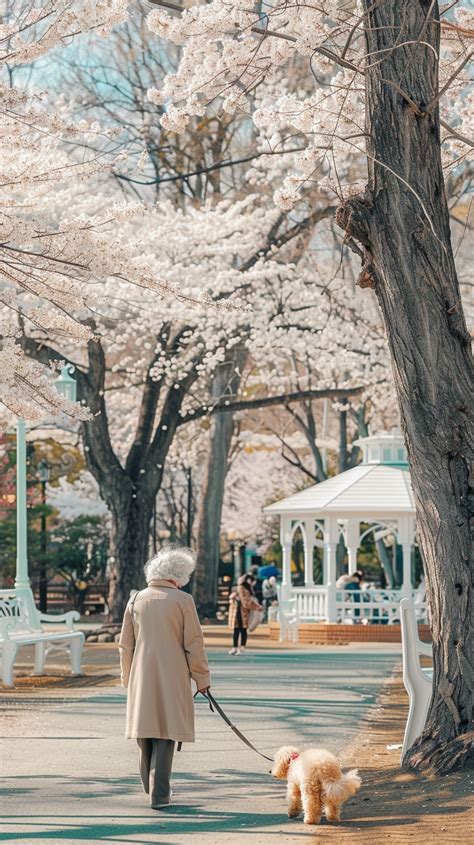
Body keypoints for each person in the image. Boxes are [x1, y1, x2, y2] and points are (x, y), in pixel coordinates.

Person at [119, 545, 210, 810]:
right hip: (173, 673)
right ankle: (159, 794)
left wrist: (127, 677)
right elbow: (194, 643)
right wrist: (201, 678)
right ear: (179, 575)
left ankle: (149, 785)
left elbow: (126, 645)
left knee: (144, 730)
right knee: (166, 732)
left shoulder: (135, 599)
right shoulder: (183, 601)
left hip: (141, 673)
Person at [228, 573, 263, 655]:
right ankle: (236, 647)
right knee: (238, 629)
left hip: (243, 612)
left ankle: (240, 647)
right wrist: (257, 607)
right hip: (239, 611)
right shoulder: (242, 588)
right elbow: (246, 602)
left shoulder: (246, 588)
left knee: (242, 629)